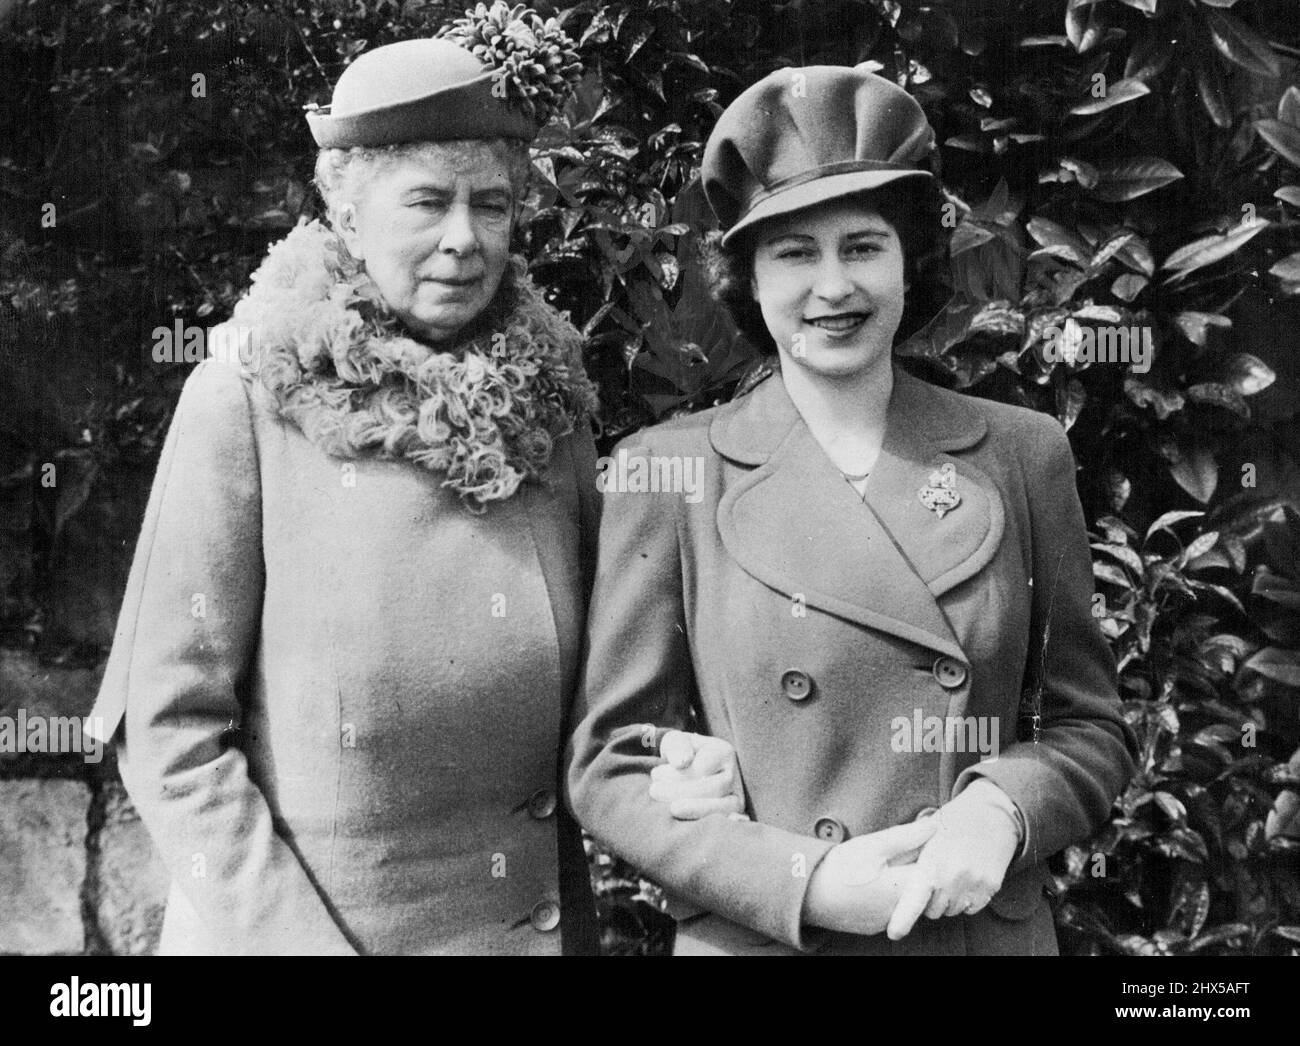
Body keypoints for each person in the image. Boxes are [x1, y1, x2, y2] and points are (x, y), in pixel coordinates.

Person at [87, 6, 724, 955]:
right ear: (346, 210)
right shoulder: (248, 397)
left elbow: (614, 680)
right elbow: (172, 735)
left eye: (493, 204)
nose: (465, 238)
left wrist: (677, 756)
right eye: (427, 201)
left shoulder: (552, 404)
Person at [566, 65, 1139, 955]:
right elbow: (612, 766)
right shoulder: (668, 472)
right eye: (795, 254)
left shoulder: (1023, 453)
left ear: (910, 265)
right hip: (772, 938)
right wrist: (811, 882)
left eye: (863, 246)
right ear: (749, 283)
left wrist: (1002, 811)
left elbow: (1087, 723)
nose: (834, 287)